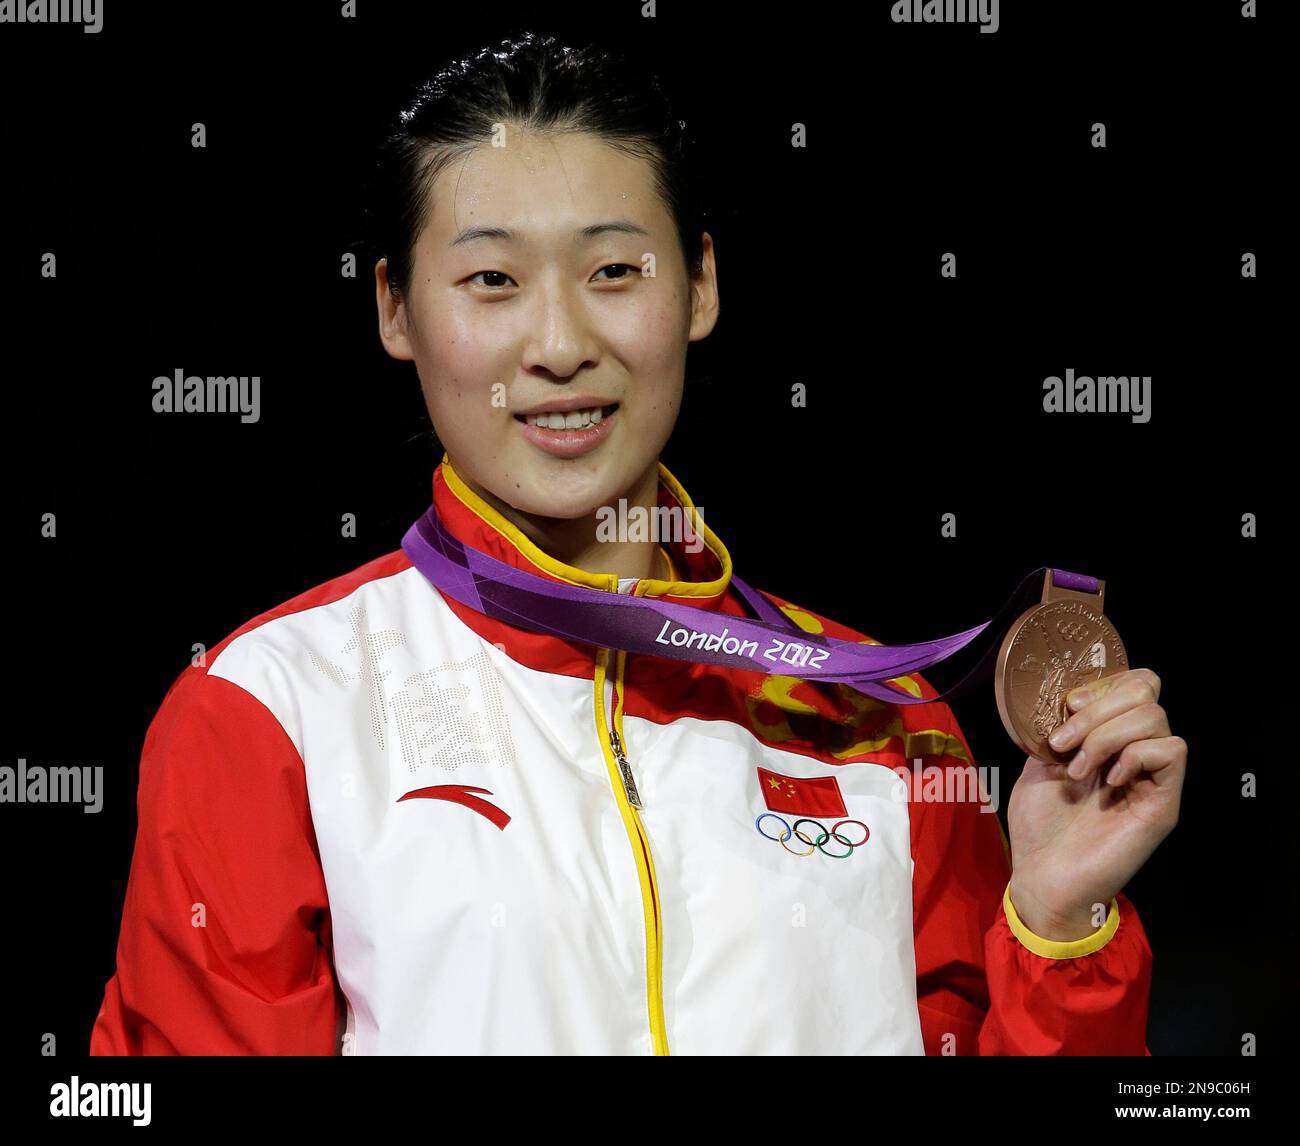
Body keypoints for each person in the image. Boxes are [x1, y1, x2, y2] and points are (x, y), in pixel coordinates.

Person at [90, 31, 1185, 1055]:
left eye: (614, 271)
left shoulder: (879, 721)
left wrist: (1055, 920)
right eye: (491, 280)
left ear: (700, 285)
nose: (560, 343)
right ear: (394, 308)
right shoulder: (269, 711)